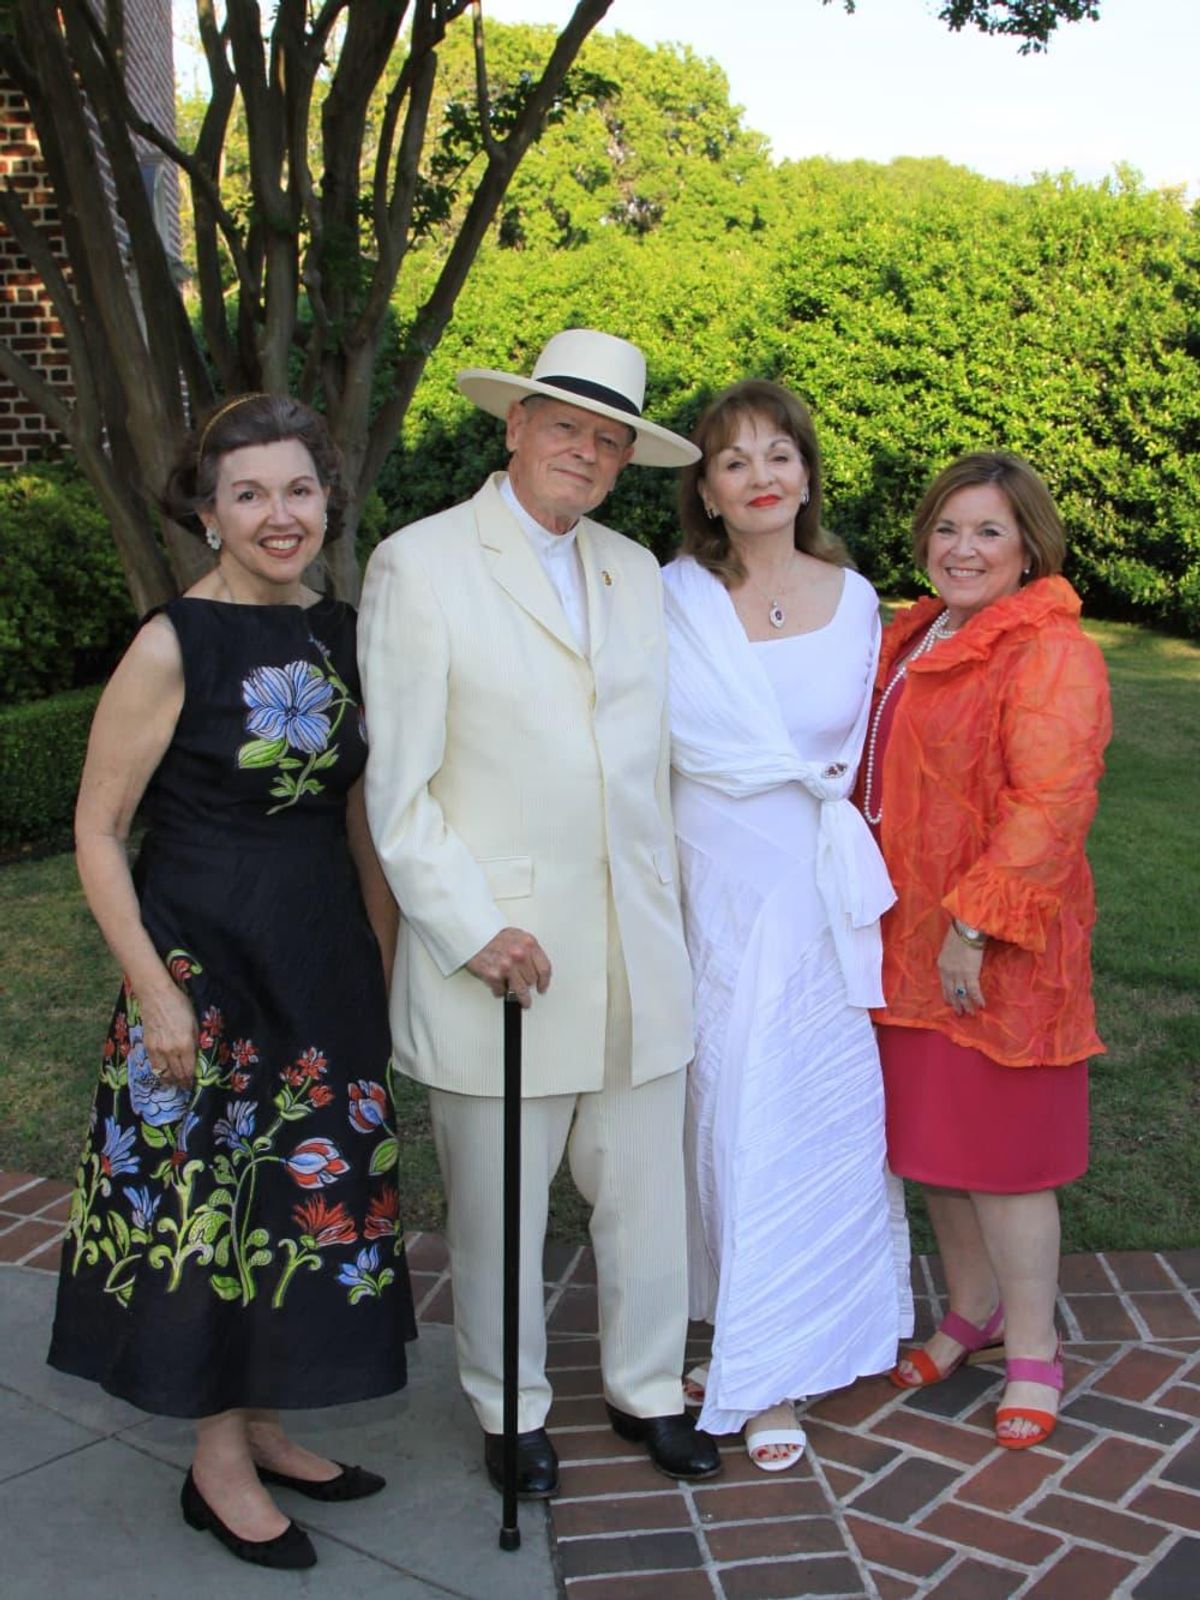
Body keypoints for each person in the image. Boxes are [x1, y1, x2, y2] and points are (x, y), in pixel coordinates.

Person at [48, 394, 416, 1569]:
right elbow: (98, 829)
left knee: (299, 1206)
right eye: (248, 493)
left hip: (319, 964)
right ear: (208, 513)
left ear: (326, 501)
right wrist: (153, 989)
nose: (278, 514)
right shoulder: (175, 643)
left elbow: (361, 816)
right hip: (205, 973)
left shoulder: (343, 632)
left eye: (298, 490)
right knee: (210, 1212)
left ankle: (259, 1421)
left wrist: (384, 960)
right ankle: (214, 1462)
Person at [357, 328, 722, 1497]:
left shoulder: (630, 569)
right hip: (506, 957)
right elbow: (398, 791)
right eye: (566, 426)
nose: (588, 451)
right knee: (501, 1208)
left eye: (610, 439)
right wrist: (471, 931)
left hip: (634, 950)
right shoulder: (421, 564)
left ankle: (649, 1391)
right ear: (513, 426)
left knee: (645, 1192)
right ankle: (508, 1411)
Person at [662, 379, 912, 1471]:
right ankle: (734, 1329)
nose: (760, 476)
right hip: (704, 886)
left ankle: (781, 1365)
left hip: (810, 899)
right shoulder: (666, 595)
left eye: (779, 454)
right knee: (714, 1116)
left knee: (803, 1118)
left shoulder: (857, 600)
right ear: (705, 492)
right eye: (733, 461)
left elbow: (871, 762)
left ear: (806, 474)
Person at [861, 451, 1111, 1450]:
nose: (962, 548)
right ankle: (970, 1311)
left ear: (1027, 545)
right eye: (948, 527)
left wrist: (973, 925)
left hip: (991, 951)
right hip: (900, 940)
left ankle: (1037, 1347)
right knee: (936, 1151)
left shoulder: (1048, 649)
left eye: (989, 531)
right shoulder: (916, 631)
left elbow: (1051, 805)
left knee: (1006, 1161)